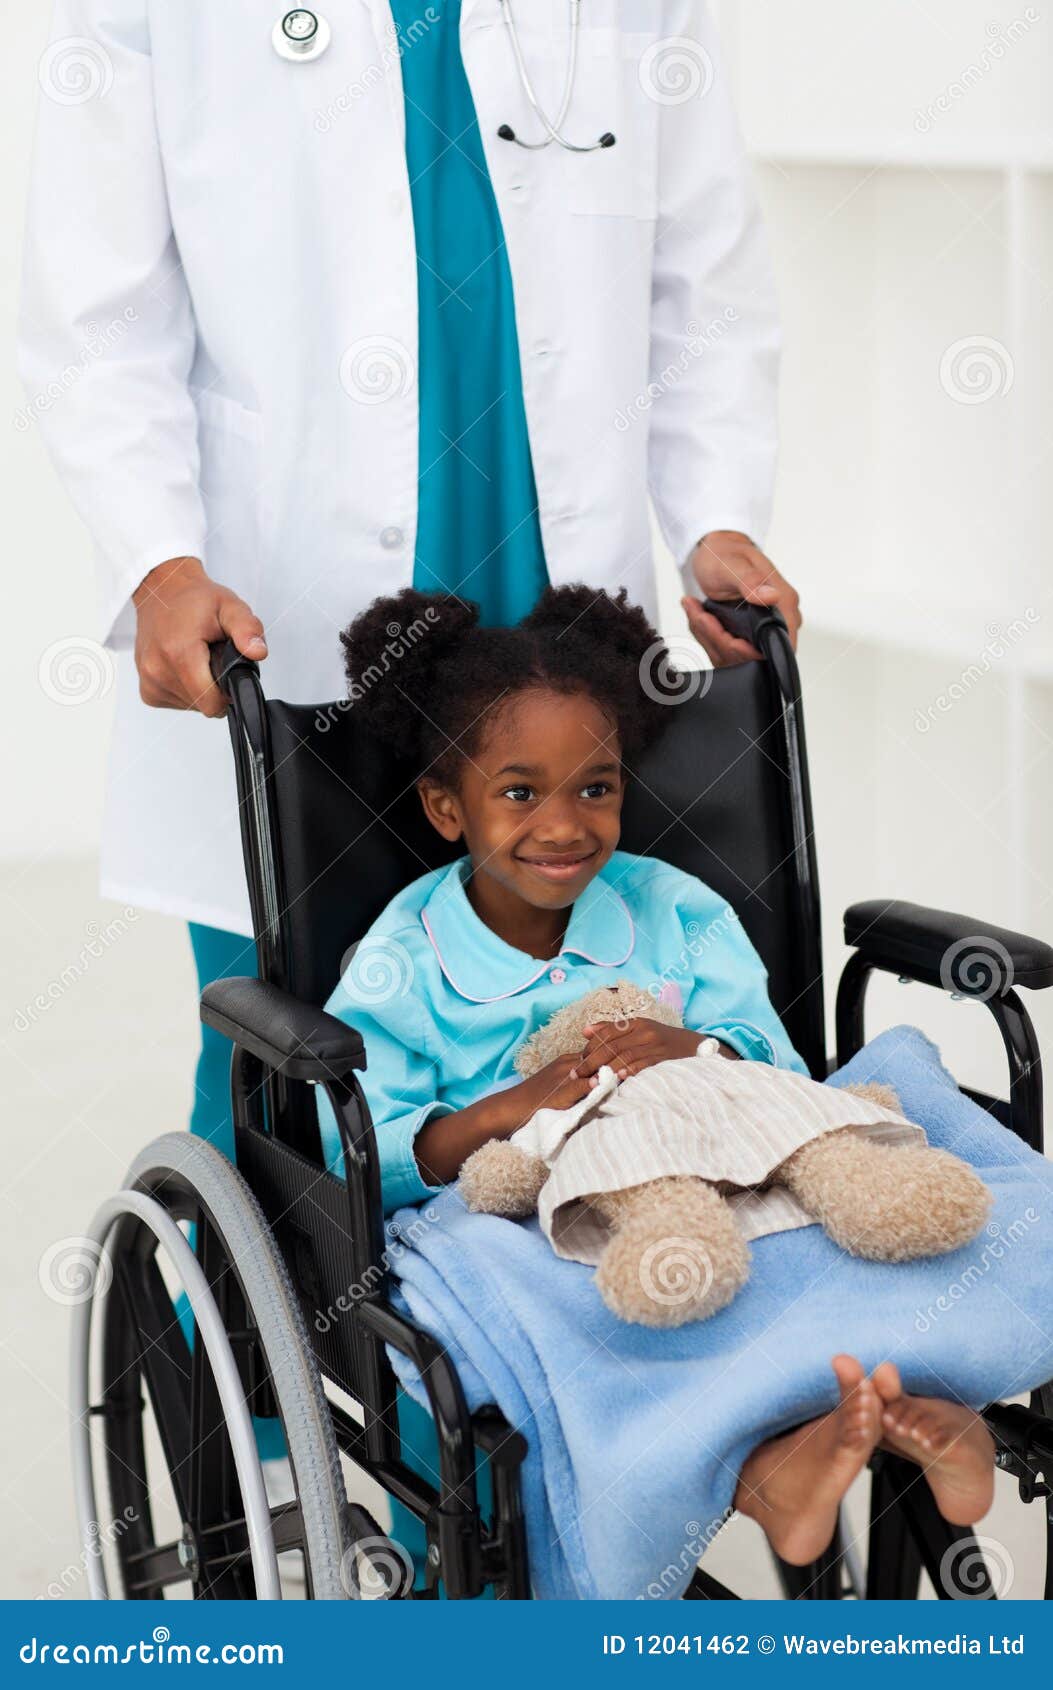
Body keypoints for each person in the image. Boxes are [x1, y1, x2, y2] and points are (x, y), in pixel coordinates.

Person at [19, 0, 801, 1546]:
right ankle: (279, 1485)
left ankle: (607, 1446)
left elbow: (700, 276)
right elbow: (101, 309)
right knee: (293, 1081)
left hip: (550, 623)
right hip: (288, 619)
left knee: (595, 1003)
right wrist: (159, 558)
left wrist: (711, 508)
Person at [319, 584, 995, 1575]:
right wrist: (510, 1108)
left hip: (714, 1151)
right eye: (520, 792)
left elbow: (777, 1065)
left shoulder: (673, 910)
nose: (565, 824)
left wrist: (691, 1049)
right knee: (560, 1293)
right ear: (445, 806)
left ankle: (920, 1396)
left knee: (861, 1189)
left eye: (594, 788)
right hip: (517, 1205)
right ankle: (762, 1469)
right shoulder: (405, 961)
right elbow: (363, 1150)